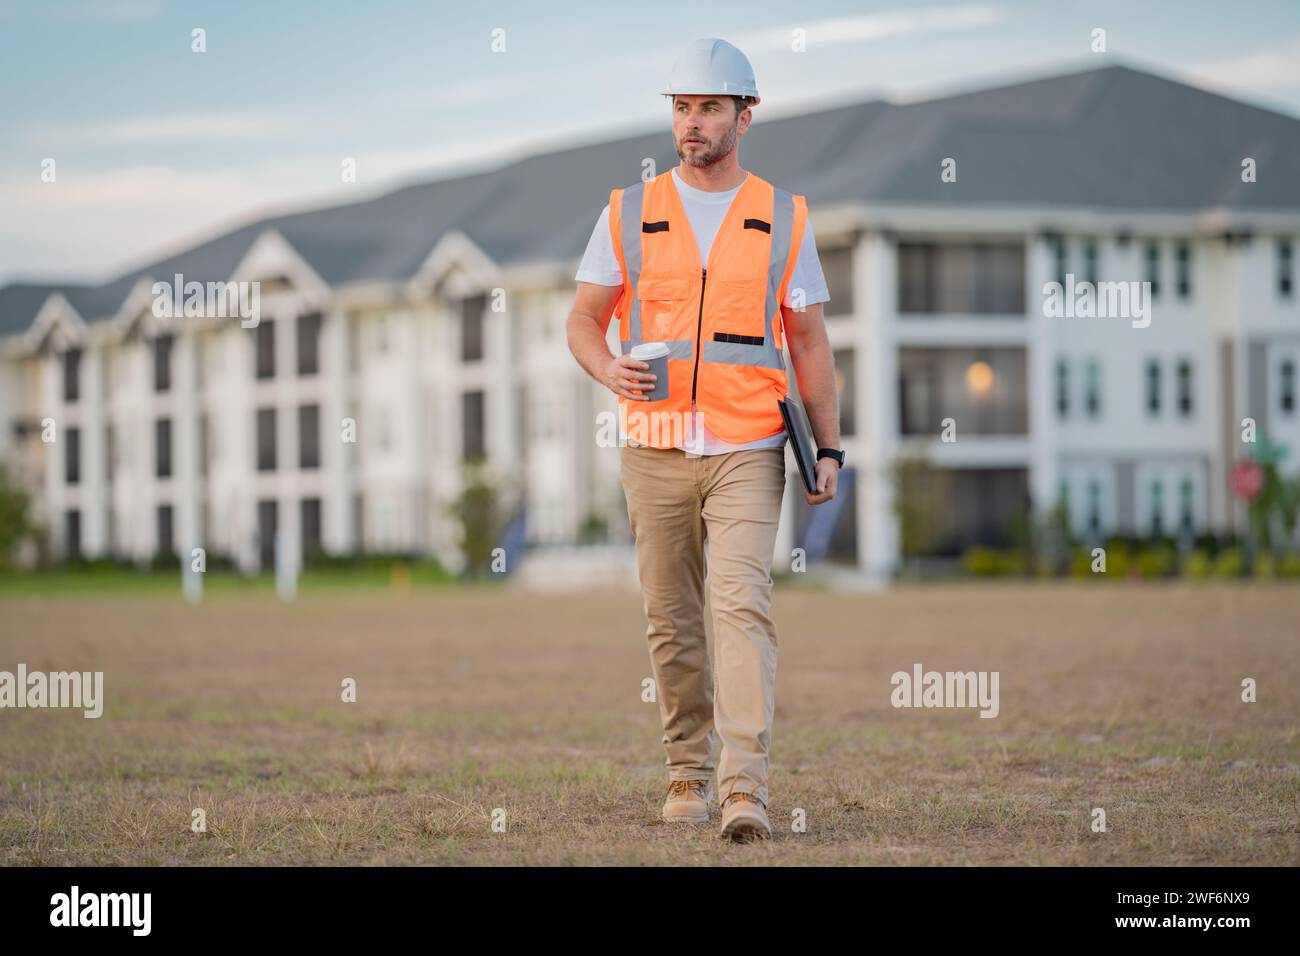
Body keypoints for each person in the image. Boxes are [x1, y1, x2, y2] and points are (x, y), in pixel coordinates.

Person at [566, 37, 844, 842]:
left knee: (741, 604)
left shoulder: (785, 216)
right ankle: (686, 772)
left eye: (709, 108)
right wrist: (608, 370)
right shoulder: (628, 210)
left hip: (749, 445)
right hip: (653, 445)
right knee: (671, 617)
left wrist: (828, 449)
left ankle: (744, 788)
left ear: (744, 117)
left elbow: (811, 344)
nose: (692, 124)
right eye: (682, 108)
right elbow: (583, 320)